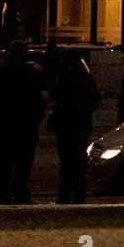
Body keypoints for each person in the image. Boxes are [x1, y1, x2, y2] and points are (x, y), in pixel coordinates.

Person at [0, 40, 44, 205]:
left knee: (4, 163)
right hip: (24, 126)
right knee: (23, 164)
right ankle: (20, 192)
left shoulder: (0, 73)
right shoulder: (29, 74)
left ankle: (3, 193)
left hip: (4, 126)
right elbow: (36, 101)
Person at [48, 52, 101, 204]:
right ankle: (79, 195)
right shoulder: (85, 78)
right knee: (78, 162)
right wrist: (85, 112)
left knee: (66, 163)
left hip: (66, 126)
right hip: (81, 125)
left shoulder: (66, 77)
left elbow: (57, 94)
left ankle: (65, 195)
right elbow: (97, 98)